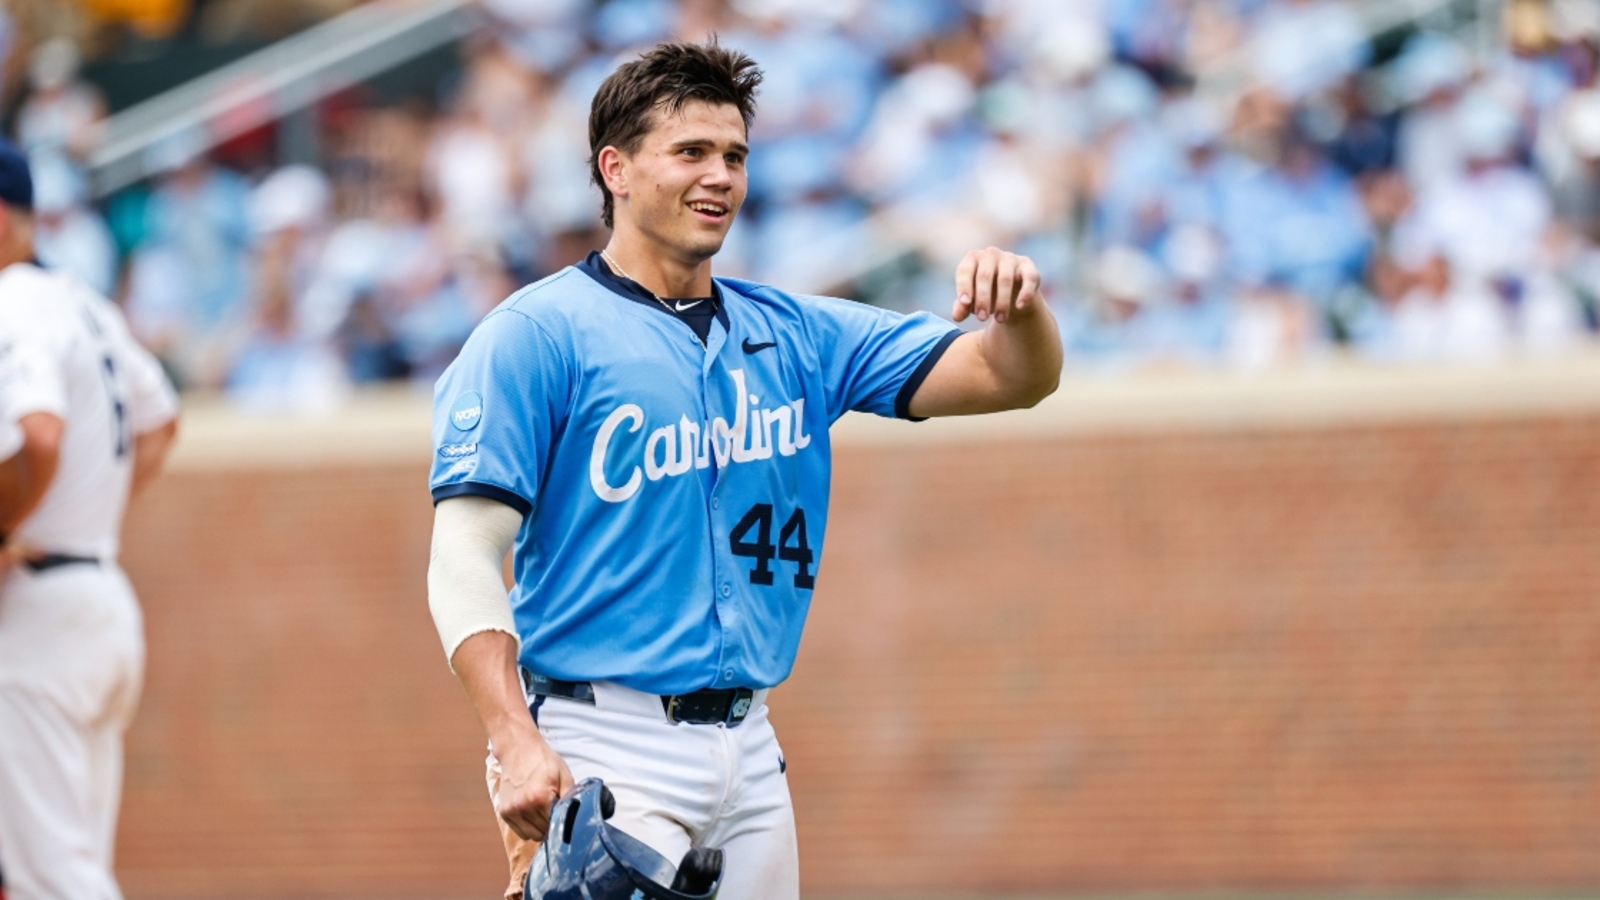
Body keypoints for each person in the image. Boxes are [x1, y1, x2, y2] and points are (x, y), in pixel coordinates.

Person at [425, 41, 1061, 900]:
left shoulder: (795, 331)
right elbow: (462, 555)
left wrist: (1021, 310)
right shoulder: (535, 335)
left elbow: (1011, 378)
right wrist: (512, 737)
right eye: (690, 151)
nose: (719, 176)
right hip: (601, 740)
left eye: (734, 155)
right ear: (615, 169)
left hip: (749, 746)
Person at [0, 142, 181, 900]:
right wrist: (84, 513)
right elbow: (160, 422)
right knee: (74, 871)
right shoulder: (82, 301)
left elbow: (38, 434)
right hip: (98, 595)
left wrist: (8, 532)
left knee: (52, 881)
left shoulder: (12, 299)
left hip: (41, 613)